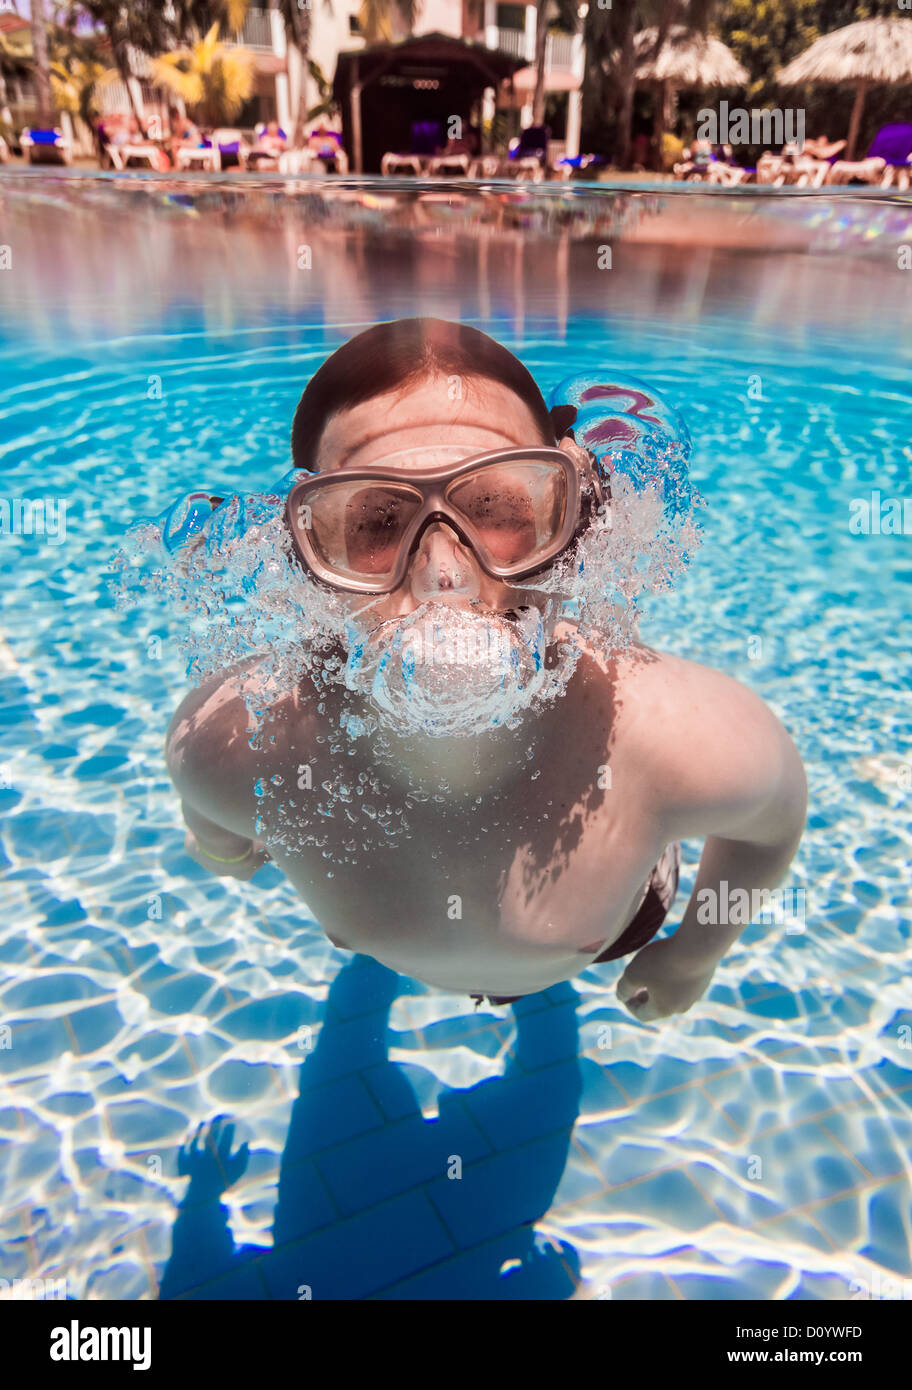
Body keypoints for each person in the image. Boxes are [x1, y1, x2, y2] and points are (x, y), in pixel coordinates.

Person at [165, 318, 807, 1018]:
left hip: (621, 927)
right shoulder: (229, 751)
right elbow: (215, 828)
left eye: (499, 507)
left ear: (572, 523)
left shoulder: (684, 741)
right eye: (378, 523)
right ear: (308, 556)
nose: (447, 577)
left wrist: (697, 951)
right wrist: (225, 841)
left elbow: (771, 828)